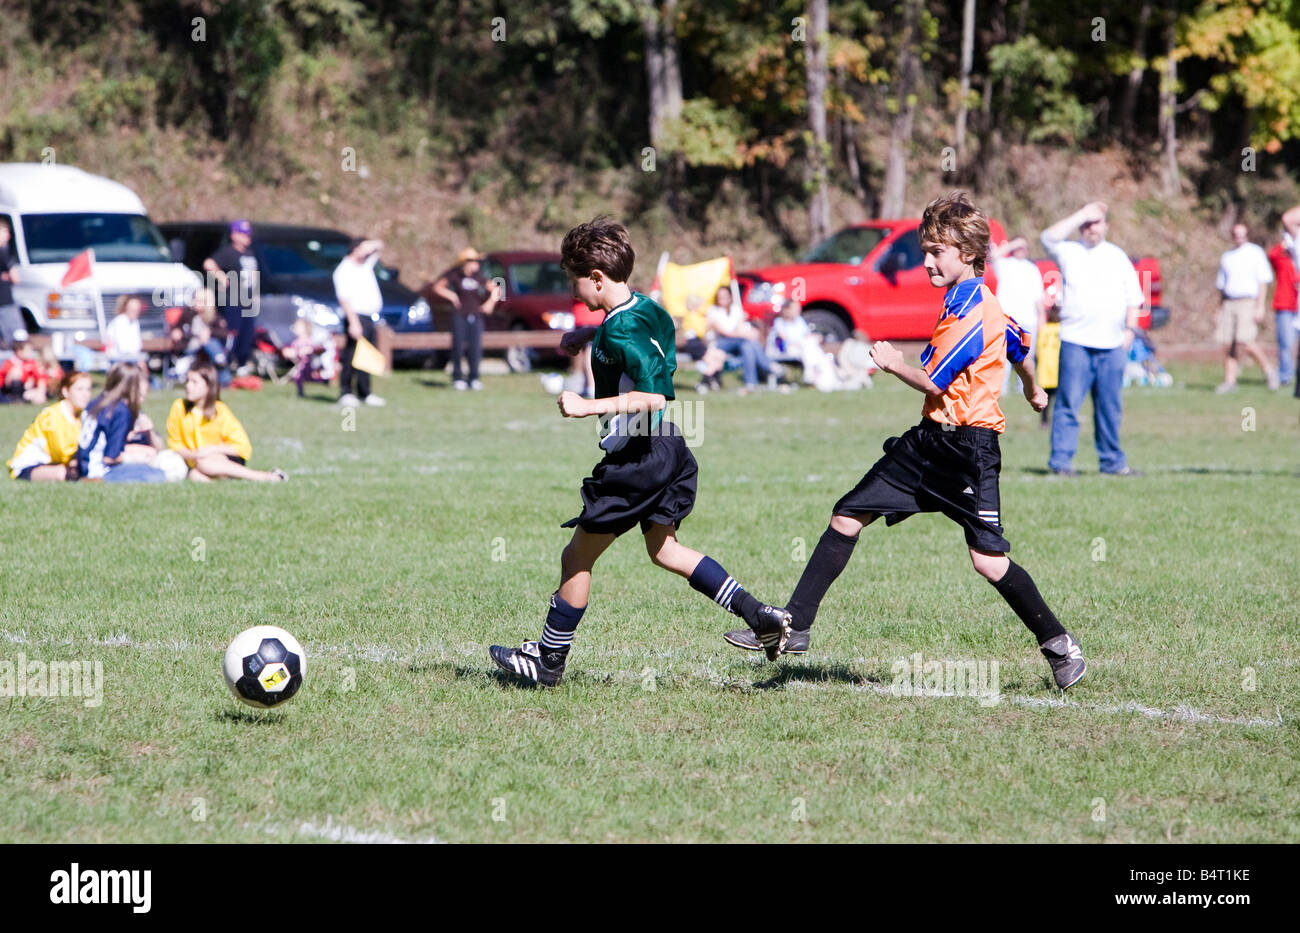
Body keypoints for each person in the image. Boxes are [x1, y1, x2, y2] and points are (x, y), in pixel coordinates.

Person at [722, 192, 1086, 691]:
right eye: (926, 250)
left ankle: (1060, 646)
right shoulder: (972, 302)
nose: (928, 261)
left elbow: (935, 380)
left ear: (970, 254)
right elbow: (1019, 343)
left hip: (969, 451)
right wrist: (1031, 387)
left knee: (988, 561)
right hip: (928, 442)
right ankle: (796, 625)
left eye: (938, 251)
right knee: (846, 515)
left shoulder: (974, 310)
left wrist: (892, 363)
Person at [488, 218, 792, 687]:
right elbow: (640, 343)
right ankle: (760, 616)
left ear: (596, 278)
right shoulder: (646, 308)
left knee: (576, 559)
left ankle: (547, 662)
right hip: (669, 448)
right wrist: (588, 337)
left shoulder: (619, 332)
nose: (573, 290)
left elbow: (653, 395)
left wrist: (590, 405)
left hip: (636, 458)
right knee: (665, 550)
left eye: (576, 280)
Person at [1040, 201, 1144, 477]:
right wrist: (1081, 214)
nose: (1090, 228)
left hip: (1111, 345)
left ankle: (1112, 461)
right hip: (1076, 341)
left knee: (1109, 408)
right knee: (1068, 404)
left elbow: (1134, 298)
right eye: (1087, 224)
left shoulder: (1117, 257)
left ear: (1106, 225)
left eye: (1096, 222)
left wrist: (1130, 332)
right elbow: (1047, 237)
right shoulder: (1069, 251)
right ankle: (1061, 462)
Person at [165, 361, 286, 482]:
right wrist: (194, 455)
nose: (188, 386)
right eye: (188, 381)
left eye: (194, 382)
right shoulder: (179, 407)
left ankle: (264, 476)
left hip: (222, 458)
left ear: (208, 386)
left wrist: (211, 450)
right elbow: (175, 443)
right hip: (194, 461)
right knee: (195, 476)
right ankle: (227, 481)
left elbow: (241, 446)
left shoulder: (219, 411)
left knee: (205, 463)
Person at [1214, 222, 1277, 392]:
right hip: (1229, 302)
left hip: (1247, 301)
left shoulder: (1255, 253)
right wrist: (1219, 308)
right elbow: (1222, 285)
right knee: (1229, 343)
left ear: (1247, 235)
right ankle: (1230, 381)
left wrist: (1260, 306)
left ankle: (1269, 370)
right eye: (1236, 234)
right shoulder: (1227, 256)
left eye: (1242, 234)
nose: (1239, 237)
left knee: (1245, 341)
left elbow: (1263, 281)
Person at [432, 247, 500, 391]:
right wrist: (452, 296)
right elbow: (437, 287)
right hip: (460, 315)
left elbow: (495, 289)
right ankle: (457, 377)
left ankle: (473, 378)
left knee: (475, 348)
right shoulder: (455, 275)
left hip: (476, 316)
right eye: (472, 261)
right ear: (465, 262)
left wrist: (489, 304)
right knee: (458, 347)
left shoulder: (479, 276)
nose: (476, 263)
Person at [332, 237, 387, 407]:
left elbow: (379, 245)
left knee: (366, 355)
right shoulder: (344, 270)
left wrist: (368, 246)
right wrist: (353, 322)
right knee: (351, 354)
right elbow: (344, 300)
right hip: (355, 316)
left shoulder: (365, 265)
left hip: (369, 317)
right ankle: (346, 391)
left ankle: (365, 391)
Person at [7, 370, 91, 481]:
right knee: (67, 473)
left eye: (88, 389)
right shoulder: (52, 415)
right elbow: (61, 452)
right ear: (65, 391)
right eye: (79, 389)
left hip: (57, 463)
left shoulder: (84, 416)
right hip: (32, 464)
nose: (85, 394)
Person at [77, 362, 151, 481]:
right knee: (157, 474)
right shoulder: (120, 410)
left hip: (84, 467)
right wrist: (136, 458)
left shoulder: (96, 402)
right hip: (100, 472)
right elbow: (110, 458)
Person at [203, 220, 260, 374]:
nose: (248, 238)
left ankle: (241, 363)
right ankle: (225, 363)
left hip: (248, 299)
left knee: (247, 333)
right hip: (234, 299)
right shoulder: (228, 252)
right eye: (244, 234)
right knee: (232, 332)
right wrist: (222, 278)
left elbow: (253, 274)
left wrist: (255, 294)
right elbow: (209, 263)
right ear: (234, 235)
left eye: (249, 234)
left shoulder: (249, 253)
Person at [991, 236, 1045, 396]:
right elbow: (992, 255)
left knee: (1026, 359)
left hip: (1029, 321)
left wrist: (1041, 321)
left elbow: (1039, 300)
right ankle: (1001, 390)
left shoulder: (1032, 268)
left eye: (1024, 246)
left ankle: (1025, 391)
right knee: (1002, 358)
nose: (1022, 249)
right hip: (1007, 319)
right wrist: (1014, 244)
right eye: (1019, 246)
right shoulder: (1004, 264)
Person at [707, 284, 780, 393]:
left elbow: (741, 327)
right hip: (721, 343)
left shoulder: (736, 309)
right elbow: (725, 333)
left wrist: (747, 333)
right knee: (748, 340)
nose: (722, 298)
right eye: (720, 296)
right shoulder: (713, 311)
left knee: (748, 347)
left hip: (740, 342)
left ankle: (750, 383)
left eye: (725, 295)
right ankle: (768, 365)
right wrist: (746, 335)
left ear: (730, 296)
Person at [1267, 226, 1299, 387]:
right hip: (1286, 305)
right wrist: (1284, 244)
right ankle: (1285, 376)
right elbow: (1271, 255)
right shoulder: (1283, 258)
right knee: (1286, 343)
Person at [104, 294, 145, 368]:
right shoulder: (119, 322)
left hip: (131, 359)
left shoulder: (135, 322)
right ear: (126, 307)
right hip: (119, 361)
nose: (135, 312)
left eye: (137, 310)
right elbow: (123, 348)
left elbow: (137, 346)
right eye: (133, 309)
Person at [0, 220, 21, 342]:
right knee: (16, 336)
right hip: (5, 300)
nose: (8, 236)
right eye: (4, 232)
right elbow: (16, 278)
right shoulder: (3, 252)